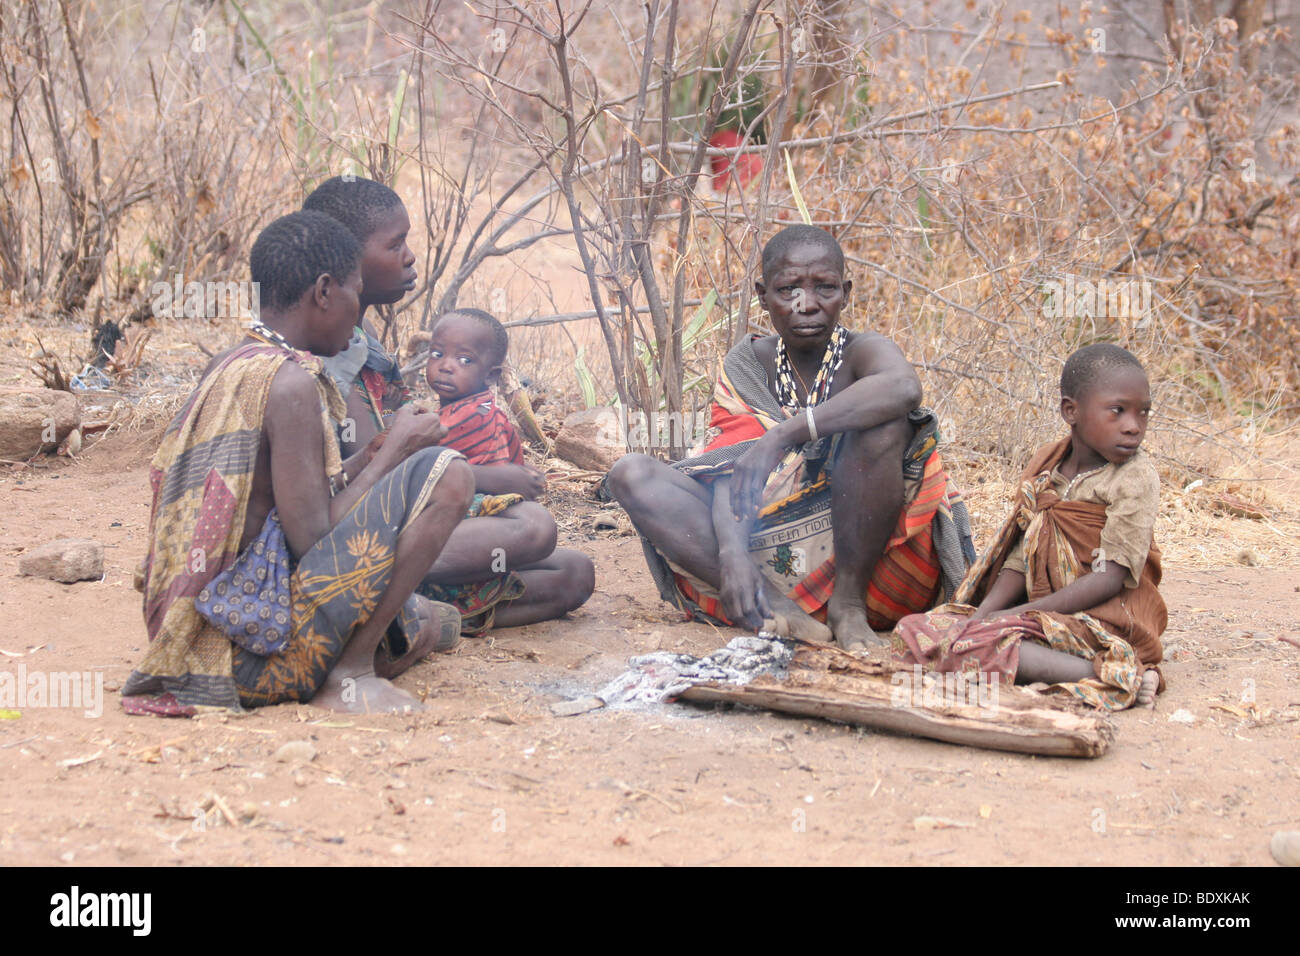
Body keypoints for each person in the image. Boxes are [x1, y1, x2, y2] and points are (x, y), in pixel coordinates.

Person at [122, 211, 474, 717]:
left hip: (200, 638)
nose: (358, 315)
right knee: (451, 474)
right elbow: (313, 539)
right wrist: (398, 450)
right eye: (354, 293)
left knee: (427, 621)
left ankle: (403, 635)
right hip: (246, 655)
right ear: (325, 292)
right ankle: (348, 675)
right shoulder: (289, 384)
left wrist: (368, 456)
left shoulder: (235, 362)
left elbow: (286, 498)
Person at [607, 225, 972, 650]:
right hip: (765, 557)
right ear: (763, 295)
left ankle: (848, 608)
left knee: (884, 420)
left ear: (846, 292)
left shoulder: (863, 352)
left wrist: (784, 435)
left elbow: (904, 388)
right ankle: (776, 606)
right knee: (631, 473)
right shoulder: (749, 364)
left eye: (825, 288)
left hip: (874, 563)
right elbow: (728, 471)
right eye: (788, 290)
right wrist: (732, 556)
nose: (808, 305)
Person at [891, 343, 1167, 710]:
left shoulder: (1135, 478)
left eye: (1143, 413)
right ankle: (1035, 661)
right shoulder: (1047, 464)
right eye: (1117, 411)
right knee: (914, 631)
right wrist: (986, 614)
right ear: (1071, 411)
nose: (1133, 427)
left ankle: (1106, 673)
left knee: (987, 642)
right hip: (1041, 616)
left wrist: (1018, 617)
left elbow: (1109, 577)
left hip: (1102, 621)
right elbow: (1024, 552)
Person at [415, 307, 595, 633]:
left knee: (579, 569)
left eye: (464, 360)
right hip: (447, 537)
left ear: (491, 376)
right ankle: (432, 605)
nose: (445, 366)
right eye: (437, 354)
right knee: (541, 532)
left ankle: (456, 617)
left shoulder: (467, 417)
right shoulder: (475, 417)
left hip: (473, 541)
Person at [301, 175, 416, 451]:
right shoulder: (321, 360)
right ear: (346, 258)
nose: (410, 256)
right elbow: (373, 465)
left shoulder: (364, 335)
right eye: (395, 244)